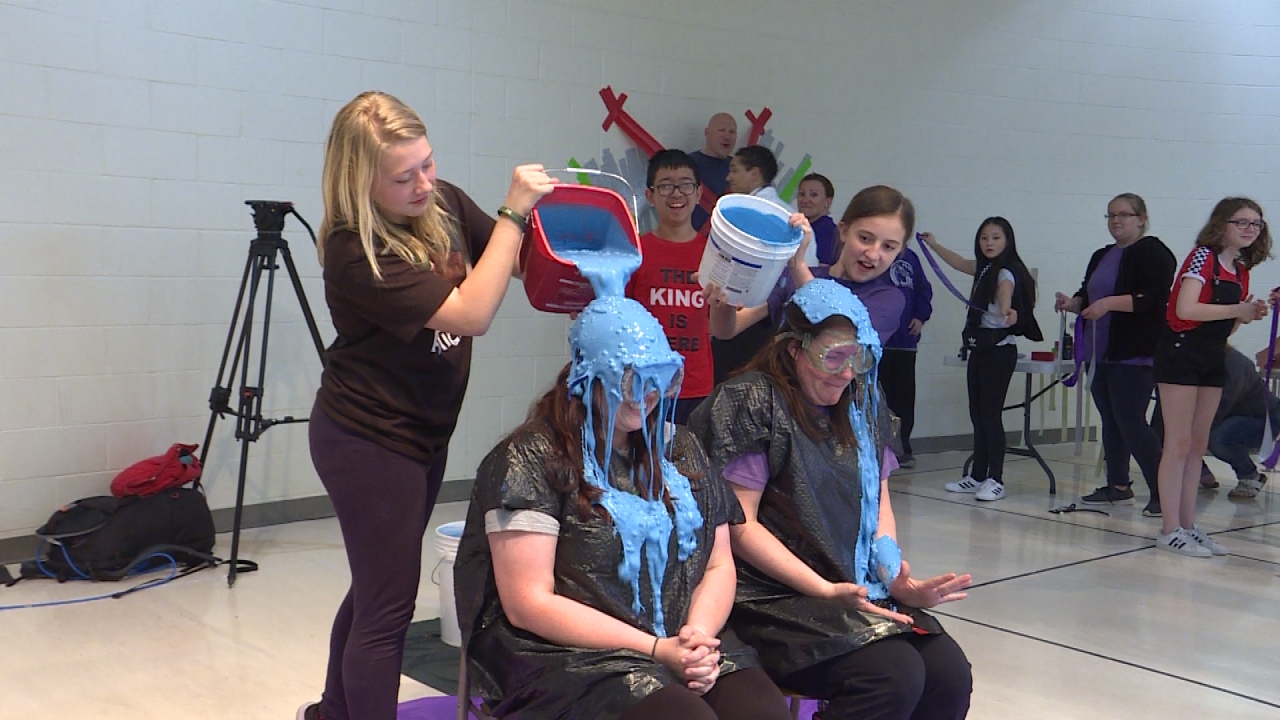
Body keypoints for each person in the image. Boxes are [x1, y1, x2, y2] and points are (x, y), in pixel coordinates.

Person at [299, 91, 555, 720]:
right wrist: (512, 212)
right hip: (366, 439)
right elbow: (471, 313)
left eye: (428, 164)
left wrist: (581, 243)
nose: (423, 183)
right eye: (403, 176)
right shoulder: (354, 249)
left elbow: (520, 261)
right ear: (360, 181)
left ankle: (333, 713)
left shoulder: (442, 202)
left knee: (375, 589)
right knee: (388, 607)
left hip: (420, 434)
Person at [454, 296, 793, 720]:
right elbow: (528, 602)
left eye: (659, 378)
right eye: (631, 380)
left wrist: (696, 639)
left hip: (679, 634)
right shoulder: (529, 458)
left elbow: (718, 565)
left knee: (764, 713)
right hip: (566, 653)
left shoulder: (681, 448)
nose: (646, 394)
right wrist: (657, 649)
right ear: (589, 376)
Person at [690, 279, 973, 720]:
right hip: (770, 596)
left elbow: (878, 500)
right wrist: (822, 589)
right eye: (833, 357)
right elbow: (739, 526)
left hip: (850, 586)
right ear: (794, 349)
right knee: (891, 674)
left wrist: (893, 577)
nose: (846, 372)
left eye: (858, 359)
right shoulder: (752, 401)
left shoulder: (862, 398)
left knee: (948, 675)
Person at [1154, 197, 1272, 557]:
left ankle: (1188, 525)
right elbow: (1185, 308)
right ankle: (1169, 529)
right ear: (1222, 224)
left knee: (1196, 444)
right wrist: (1237, 308)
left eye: (1256, 224)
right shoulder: (1202, 257)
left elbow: (1225, 325)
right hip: (1181, 354)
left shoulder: (1240, 269)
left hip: (1212, 357)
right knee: (1177, 444)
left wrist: (1246, 315)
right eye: (1242, 222)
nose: (1250, 229)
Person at [1054, 194, 1175, 517]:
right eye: (1110, 215)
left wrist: (1108, 304)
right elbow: (1088, 293)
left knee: (1131, 422)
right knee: (1111, 420)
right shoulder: (1102, 255)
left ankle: (1164, 491)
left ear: (1141, 219)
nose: (1116, 221)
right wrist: (1073, 303)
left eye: (1123, 214)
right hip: (1100, 352)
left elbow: (1151, 298)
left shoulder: (1154, 252)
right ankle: (1118, 485)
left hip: (1134, 352)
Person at [922, 219, 1041, 502]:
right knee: (977, 413)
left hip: (1000, 351)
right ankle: (977, 476)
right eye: (984, 238)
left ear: (1007, 240)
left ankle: (995, 479)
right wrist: (935, 245)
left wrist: (1007, 310)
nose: (989, 243)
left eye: (996, 237)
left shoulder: (1007, 272)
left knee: (990, 414)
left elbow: (1005, 292)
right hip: (980, 349)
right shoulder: (985, 268)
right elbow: (961, 263)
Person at [710, 185, 915, 347]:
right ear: (844, 231)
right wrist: (726, 294)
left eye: (888, 247)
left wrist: (797, 263)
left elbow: (835, 339)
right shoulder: (793, 277)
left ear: (900, 250)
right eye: (865, 238)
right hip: (779, 385)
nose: (873, 254)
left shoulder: (888, 299)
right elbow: (725, 330)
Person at [627, 150, 714, 424]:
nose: (676, 194)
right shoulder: (634, 252)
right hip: (644, 386)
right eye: (665, 186)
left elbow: (725, 323)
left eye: (685, 185)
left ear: (699, 193)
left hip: (696, 386)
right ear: (650, 195)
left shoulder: (714, 254)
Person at [1152, 346, 1279, 500]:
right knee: (1175, 431)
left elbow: (1220, 407)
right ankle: (1202, 474)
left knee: (1217, 438)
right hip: (1231, 415)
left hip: (1264, 420)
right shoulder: (1199, 361)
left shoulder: (1232, 364)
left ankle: (1250, 476)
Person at [882, 233, 934, 469]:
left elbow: (924, 290)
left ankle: (903, 446)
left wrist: (921, 316)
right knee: (881, 397)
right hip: (880, 342)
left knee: (904, 397)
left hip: (905, 342)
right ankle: (881, 448)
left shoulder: (911, 258)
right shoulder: (876, 256)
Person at [690, 112, 738, 231]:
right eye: (722, 130)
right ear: (707, 133)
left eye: (732, 132)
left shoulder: (739, 168)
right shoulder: (687, 164)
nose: (727, 136)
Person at [796, 173, 840, 265]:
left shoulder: (827, 233)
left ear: (827, 202)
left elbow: (822, 270)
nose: (805, 200)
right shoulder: (799, 227)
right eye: (802, 194)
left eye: (814, 195)